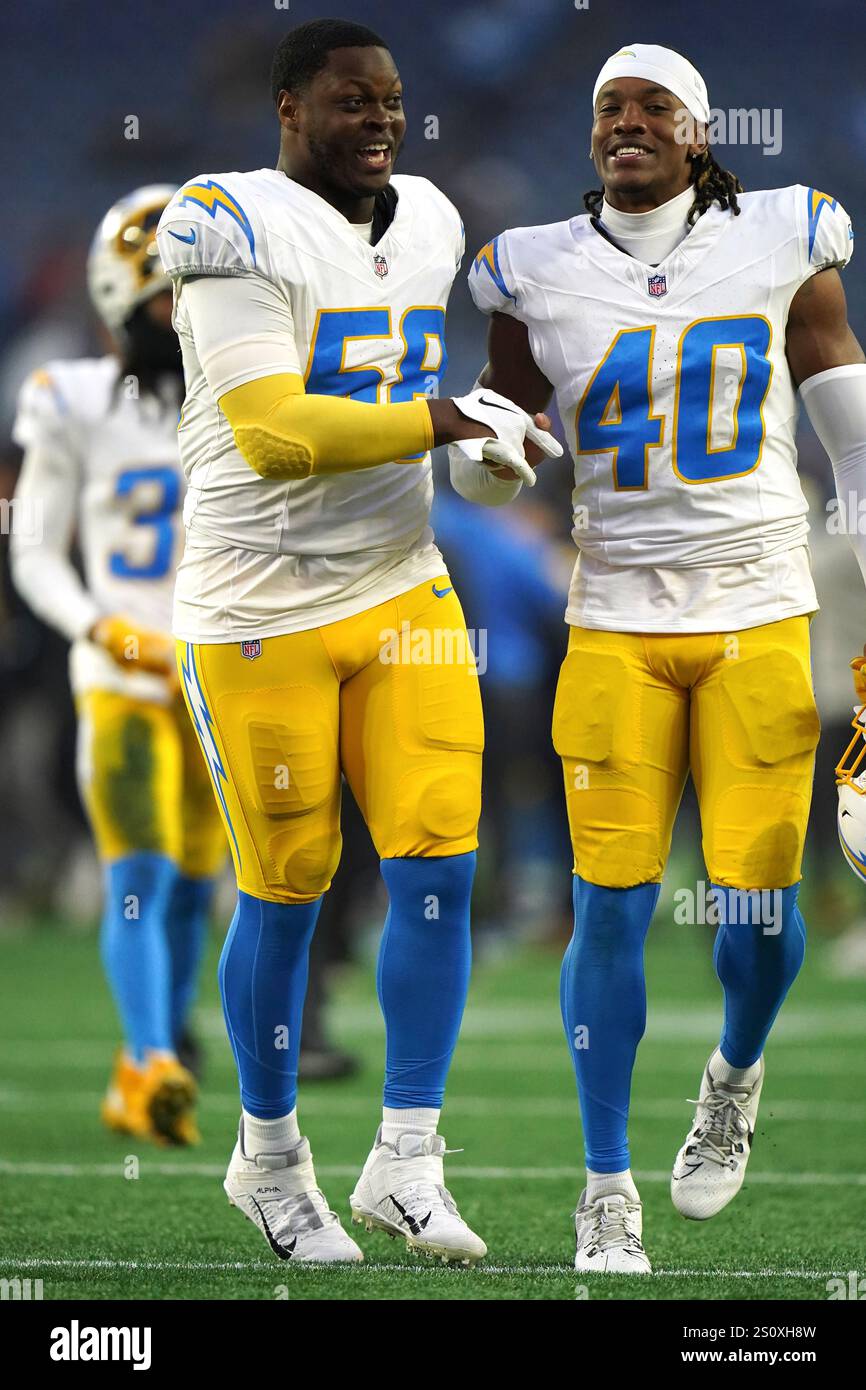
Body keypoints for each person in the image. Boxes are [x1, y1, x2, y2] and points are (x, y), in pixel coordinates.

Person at [453, 42, 865, 1272]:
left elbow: (843, 417)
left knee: (754, 910)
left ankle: (731, 1076)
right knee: (610, 909)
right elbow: (505, 426)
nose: (623, 124)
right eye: (604, 109)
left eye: (651, 109)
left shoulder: (786, 234)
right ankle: (603, 1187)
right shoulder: (527, 267)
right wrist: (491, 461)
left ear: (697, 133)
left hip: (754, 610)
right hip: (614, 623)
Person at [155, 17, 559, 1264]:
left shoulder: (434, 216)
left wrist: (496, 442)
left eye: (390, 100)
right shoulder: (222, 218)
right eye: (349, 101)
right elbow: (276, 430)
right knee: (288, 890)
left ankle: (406, 1157)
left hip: (399, 586)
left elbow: (490, 367)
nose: (378, 118)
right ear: (289, 109)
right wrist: (446, 415)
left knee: (438, 870)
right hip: (258, 605)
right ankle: (269, 1160)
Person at [11, 186, 227, 1145]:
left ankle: (154, 1054)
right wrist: (98, 630)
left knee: (191, 885)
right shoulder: (70, 397)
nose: (184, 318)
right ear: (119, 299)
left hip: (219, 675)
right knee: (137, 872)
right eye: (166, 300)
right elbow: (32, 548)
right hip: (126, 678)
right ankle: (149, 1062)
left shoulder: (237, 395)